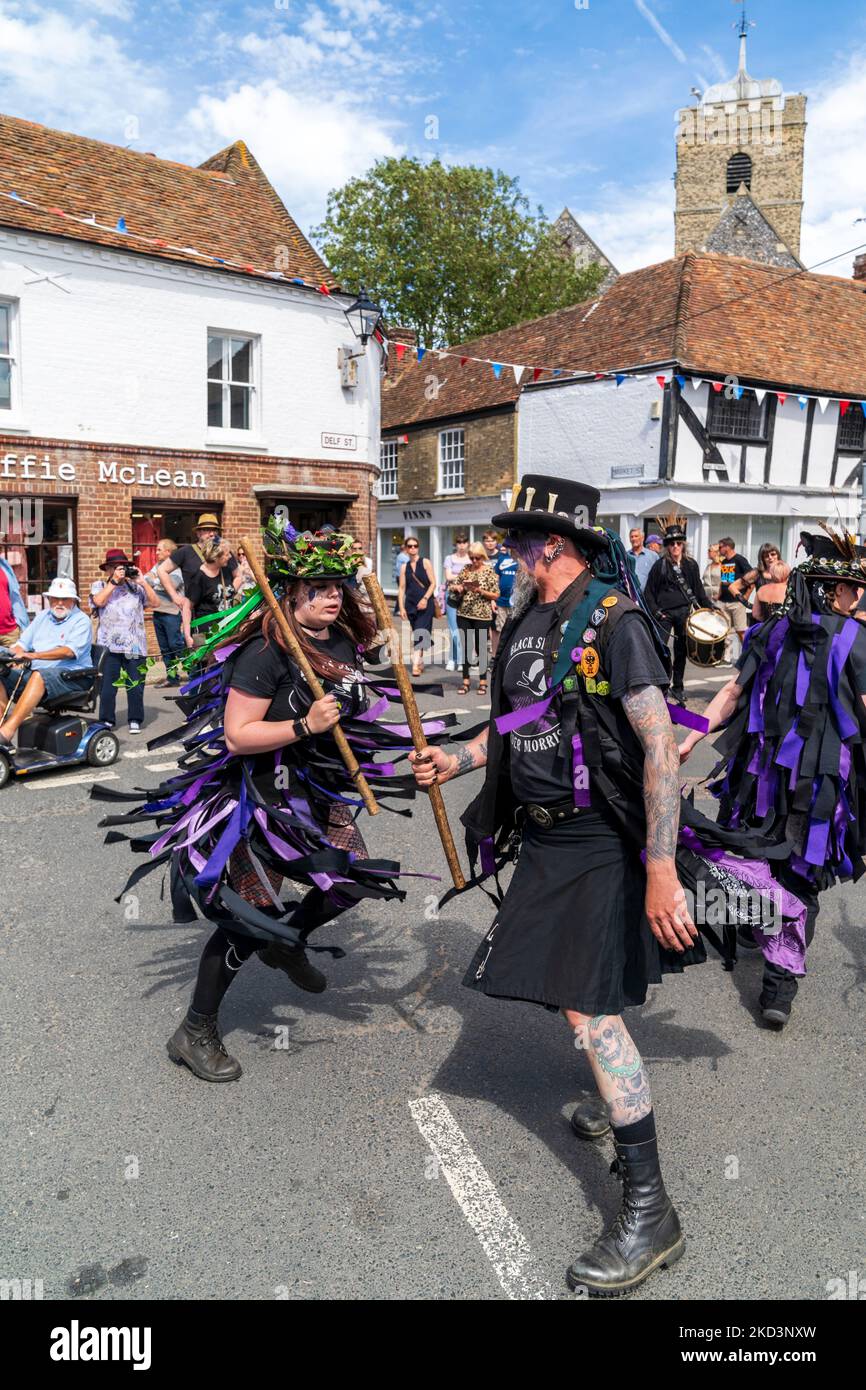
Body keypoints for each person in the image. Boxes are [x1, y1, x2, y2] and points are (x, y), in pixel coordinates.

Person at [96, 520, 448, 1083]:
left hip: (318, 792)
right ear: (289, 592)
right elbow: (238, 735)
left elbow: (354, 704)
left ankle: (290, 942)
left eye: (338, 584)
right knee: (249, 919)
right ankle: (195, 1029)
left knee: (350, 882)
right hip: (263, 800)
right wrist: (305, 723)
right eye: (319, 586)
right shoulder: (267, 652)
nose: (334, 594)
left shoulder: (341, 642)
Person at [678, 528, 866, 1028]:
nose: (857, 598)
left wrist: (691, 738)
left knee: (760, 857)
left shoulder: (770, 632)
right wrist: (691, 737)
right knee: (798, 873)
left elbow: (730, 695)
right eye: (852, 590)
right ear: (831, 589)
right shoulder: (855, 640)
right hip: (806, 788)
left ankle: (763, 941)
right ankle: (778, 980)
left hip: (765, 780)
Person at [0, 577, 93, 746]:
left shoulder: (82, 621)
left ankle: (6, 733)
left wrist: (34, 656)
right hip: (39, 675)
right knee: (1, 673)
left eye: (64, 599)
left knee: (39, 676)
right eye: (55, 598)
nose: (59, 603)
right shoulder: (43, 616)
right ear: (49, 599)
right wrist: (11, 653)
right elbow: (21, 645)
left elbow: (68, 651)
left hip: (74, 677)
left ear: (73, 600)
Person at [90, 549, 160, 735]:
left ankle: (135, 719)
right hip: (108, 646)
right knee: (107, 686)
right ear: (108, 570)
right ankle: (106, 719)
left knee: (135, 684)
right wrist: (113, 582)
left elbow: (155, 603)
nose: (119, 571)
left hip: (134, 645)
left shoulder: (136, 588)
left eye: (122, 567)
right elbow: (98, 602)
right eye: (114, 567)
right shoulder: (99, 586)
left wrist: (143, 582)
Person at [643, 521, 711, 707]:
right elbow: (649, 592)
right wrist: (656, 612)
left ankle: (678, 687)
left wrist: (709, 608)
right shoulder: (659, 566)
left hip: (684, 613)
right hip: (664, 615)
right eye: (672, 543)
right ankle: (662, 686)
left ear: (683, 544)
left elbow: (698, 590)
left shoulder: (691, 565)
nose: (675, 546)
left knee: (681, 652)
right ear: (667, 546)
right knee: (661, 651)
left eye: (678, 543)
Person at [156, 513, 237, 635]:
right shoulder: (186, 552)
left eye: (214, 530)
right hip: (198, 615)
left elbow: (238, 575)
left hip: (225, 615)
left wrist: (227, 592)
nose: (211, 534)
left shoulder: (224, 552)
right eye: (207, 530)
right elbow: (162, 570)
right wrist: (175, 597)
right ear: (198, 533)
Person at [450, 542, 499, 695]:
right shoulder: (466, 569)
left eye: (477, 558)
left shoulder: (489, 570)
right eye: (471, 558)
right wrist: (458, 587)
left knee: (481, 648)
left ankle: (483, 681)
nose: (474, 561)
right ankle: (465, 681)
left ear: (482, 557)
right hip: (463, 613)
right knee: (465, 647)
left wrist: (480, 590)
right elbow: (453, 585)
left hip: (482, 615)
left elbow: (496, 594)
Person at [144, 539, 186, 688]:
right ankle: (172, 677)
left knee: (175, 644)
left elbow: (173, 585)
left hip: (172, 611)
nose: (156, 552)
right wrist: (158, 580)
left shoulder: (176, 568)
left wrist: (156, 580)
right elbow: (145, 579)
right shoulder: (158, 566)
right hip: (158, 611)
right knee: (165, 648)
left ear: (168, 552)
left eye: (159, 550)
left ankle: (192, 669)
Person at [182, 538, 237, 647]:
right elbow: (187, 607)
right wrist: (187, 636)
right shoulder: (199, 578)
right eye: (227, 554)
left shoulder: (225, 571)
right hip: (206, 633)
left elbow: (238, 578)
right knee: (209, 663)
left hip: (226, 629)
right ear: (217, 557)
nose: (230, 557)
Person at [398, 538, 436, 678]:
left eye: (415, 546)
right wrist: (401, 607)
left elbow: (433, 583)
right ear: (406, 549)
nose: (413, 548)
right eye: (410, 546)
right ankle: (419, 660)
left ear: (418, 547)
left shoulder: (425, 562)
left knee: (421, 631)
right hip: (411, 605)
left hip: (426, 604)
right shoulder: (404, 567)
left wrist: (425, 599)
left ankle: (415, 664)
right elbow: (402, 588)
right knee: (419, 633)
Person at [482, 529, 519, 658]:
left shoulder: (519, 558)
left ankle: (511, 655)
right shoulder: (501, 559)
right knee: (500, 629)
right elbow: (495, 580)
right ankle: (498, 656)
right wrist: (492, 599)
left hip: (517, 601)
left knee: (514, 629)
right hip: (501, 601)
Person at [716, 537, 752, 659]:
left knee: (740, 630)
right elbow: (724, 581)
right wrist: (719, 595)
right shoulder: (724, 562)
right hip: (724, 602)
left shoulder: (740, 560)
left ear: (727, 547)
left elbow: (751, 579)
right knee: (724, 631)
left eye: (720, 547)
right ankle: (726, 657)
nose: (719, 550)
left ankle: (748, 655)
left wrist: (745, 597)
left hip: (737, 602)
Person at [443, 534, 471, 671]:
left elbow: (473, 577)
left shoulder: (471, 558)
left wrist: (457, 577)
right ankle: (457, 660)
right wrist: (463, 576)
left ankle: (455, 658)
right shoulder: (449, 558)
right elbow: (448, 577)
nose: (461, 544)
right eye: (459, 542)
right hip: (453, 595)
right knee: (453, 628)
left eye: (464, 542)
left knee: (464, 629)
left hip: (467, 596)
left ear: (468, 544)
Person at [0, 553, 30, 649]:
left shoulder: (4, 566)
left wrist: (20, 625)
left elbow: (15, 597)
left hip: (10, 632)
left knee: (17, 663)